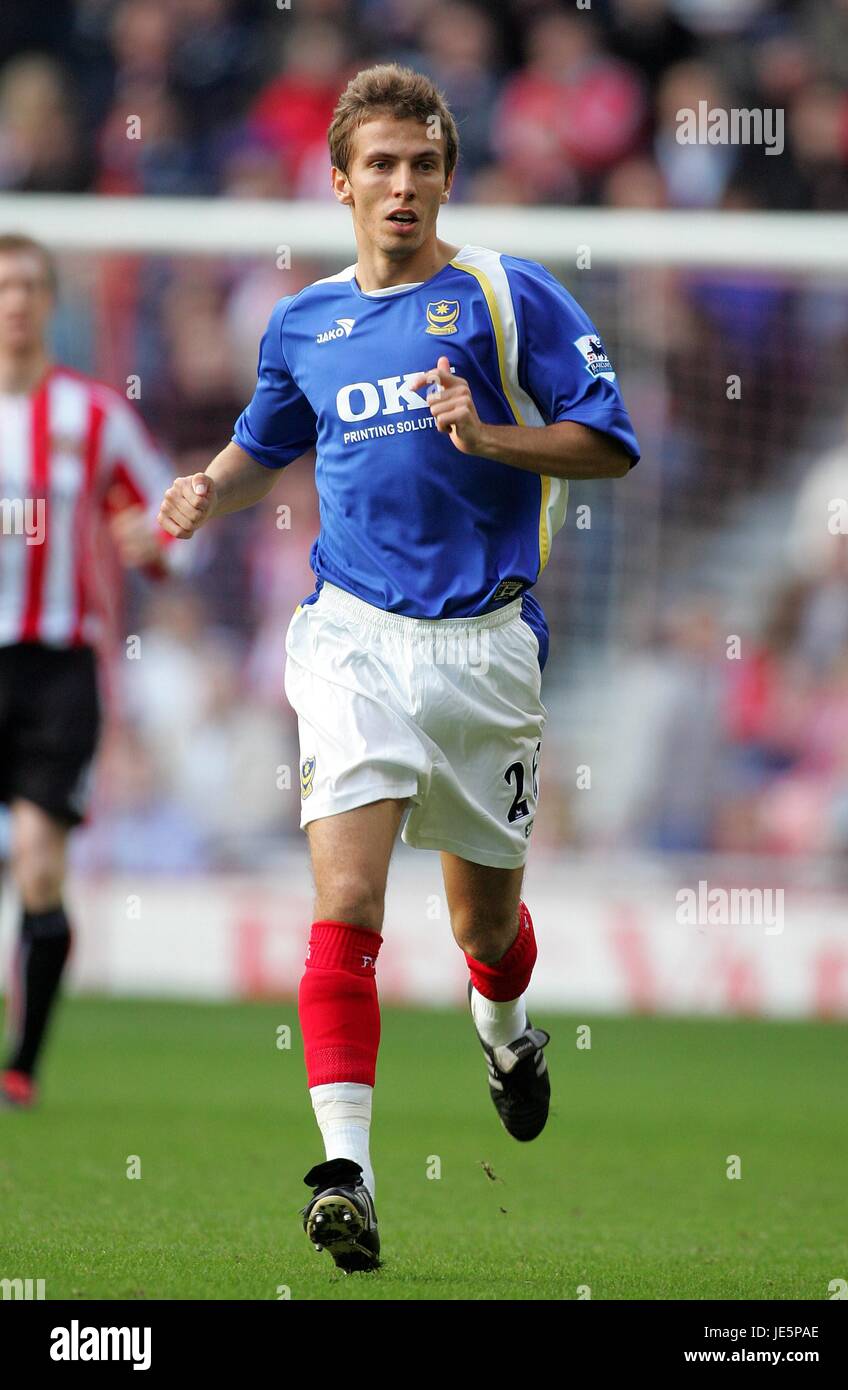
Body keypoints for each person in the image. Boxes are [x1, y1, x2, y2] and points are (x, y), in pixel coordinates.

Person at [158, 63, 640, 1272]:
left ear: (446, 178)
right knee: (347, 902)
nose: (402, 185)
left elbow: (608, 445)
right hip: (351, 639)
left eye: (423, 164)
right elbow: (262, 442)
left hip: (486, 650)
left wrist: (489, 436)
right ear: (339, 183)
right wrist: (202, 491)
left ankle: (506, 1028)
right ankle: (349, 1177)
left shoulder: (501, 296)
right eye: (379, 164)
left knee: (483, 924)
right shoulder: (302, 324)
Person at [0, 233, 178, 1108]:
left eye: (31, 286)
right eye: (3, 287)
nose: (17, 302)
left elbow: (166, 514)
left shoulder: (94, 414)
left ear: (51, 301)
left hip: (59, 668)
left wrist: (155, 542)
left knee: (38, 865)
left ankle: (22, 1064)